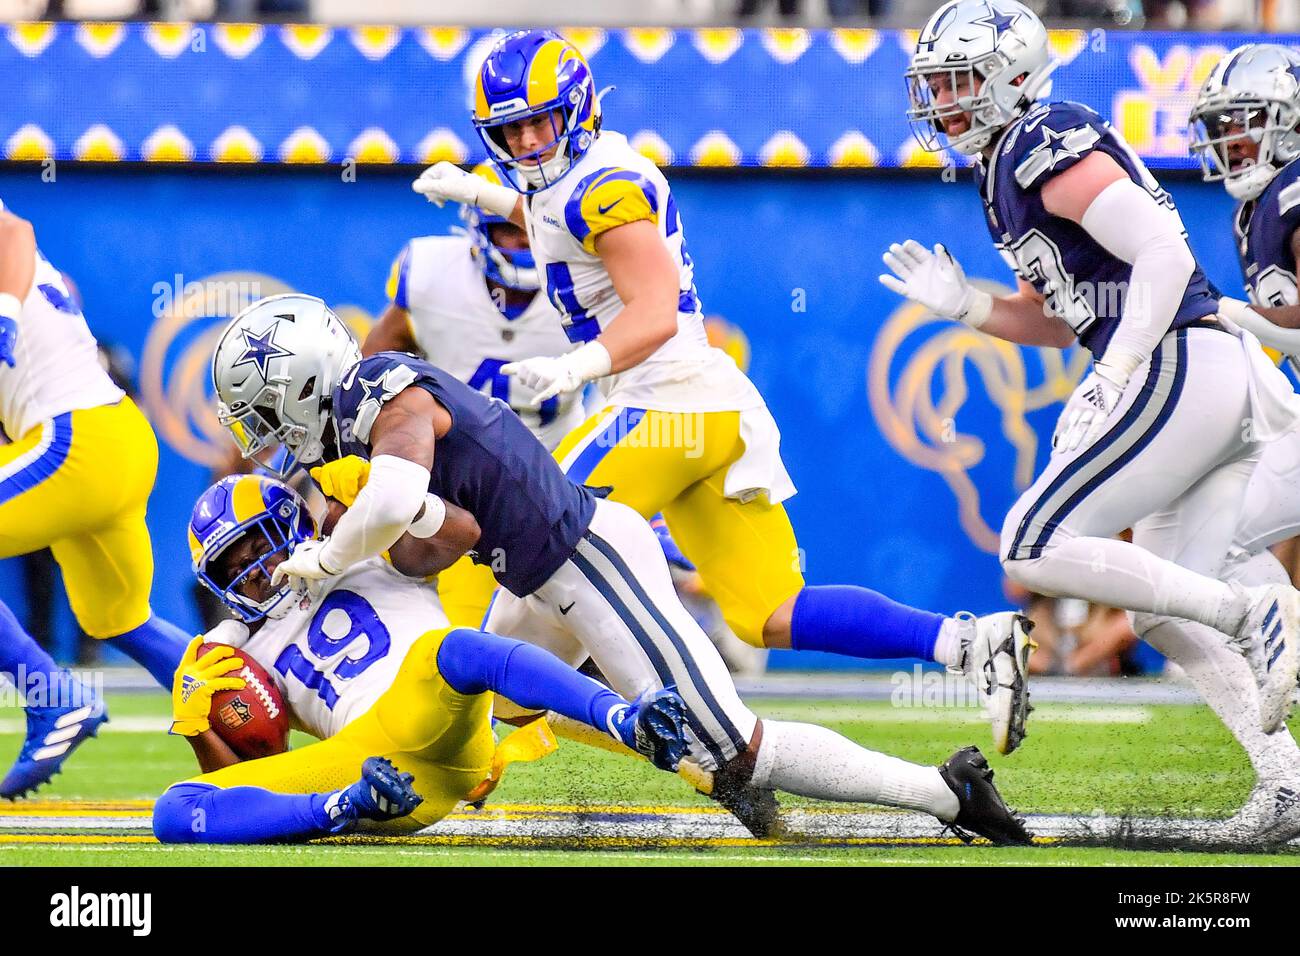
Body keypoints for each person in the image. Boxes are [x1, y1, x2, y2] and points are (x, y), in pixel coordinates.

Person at [410, 29, 1034, 759]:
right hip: (705, 412)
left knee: (530, 554)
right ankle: (970, 643)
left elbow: (655, 310)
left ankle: (489, 749)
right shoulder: (571, 181)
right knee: (767, 613)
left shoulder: (604, 189)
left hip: (663, 403)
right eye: (507, 132)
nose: (525, 144)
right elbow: (560, 224)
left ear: (575, 110)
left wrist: (577, 367)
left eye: (536, 123)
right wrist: (482, 192)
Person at [209, 292, 1032, 845]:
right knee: (502, 700)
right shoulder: (367, 416)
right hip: (538, 575)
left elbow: (390, 498)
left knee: (741, 744)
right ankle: (682, 750)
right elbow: (444, 531)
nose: (269, 433)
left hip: (583, 560)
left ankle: (948, 791)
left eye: (266, 412)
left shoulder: (382, 393)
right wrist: (399, 529)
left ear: (304, 383)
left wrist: (324, 554)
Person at [880, 0, 1300, 842]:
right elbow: (1061, 312)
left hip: (1182, 357)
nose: (947, 102)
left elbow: (1165, 255)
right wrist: (967, 305)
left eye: (961, 81)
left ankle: (1250, 611)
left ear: (1014, 76)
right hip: (1189, 360)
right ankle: (1288, 784)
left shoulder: (1043, 138)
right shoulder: (1006, 167)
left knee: (1030, 542)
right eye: (937, 86)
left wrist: (1114, 371)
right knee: (1158, 612)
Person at [152, 473, 689, 844]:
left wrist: (394, 497)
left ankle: (623, 716)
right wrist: (198, 725)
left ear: (295, 526)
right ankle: (344, 809)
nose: (251, 571)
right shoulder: (224, 653)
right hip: (372, 772)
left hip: (436, 715)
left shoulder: (359, 546)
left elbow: (462, 532)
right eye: (232, 567)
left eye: (257, 546)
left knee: (454, 649)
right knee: (174, 810)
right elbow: (251, 782)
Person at [0, 201, 188, 798]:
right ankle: (261, 716)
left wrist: (3, 316)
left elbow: (12, 230)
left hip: (75, 439)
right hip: (114, 438)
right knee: (122, 620)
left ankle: (51, 696)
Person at [363, 161, 583, 631]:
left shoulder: (582, 281)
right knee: (472, 633)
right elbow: (372, 366)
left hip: (559, 474)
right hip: (469, 489)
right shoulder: (432, 277)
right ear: (476, 225)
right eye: (507, 229)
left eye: (527, 228)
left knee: (580, 620)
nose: (522, 242)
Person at [1184, 43, 1300, 841]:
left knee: (1206, 556)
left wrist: (1234, 315)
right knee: (1207, 556)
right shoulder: (1262, 204)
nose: (1232, 141)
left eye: (1246, 122)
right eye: (1221, 127)